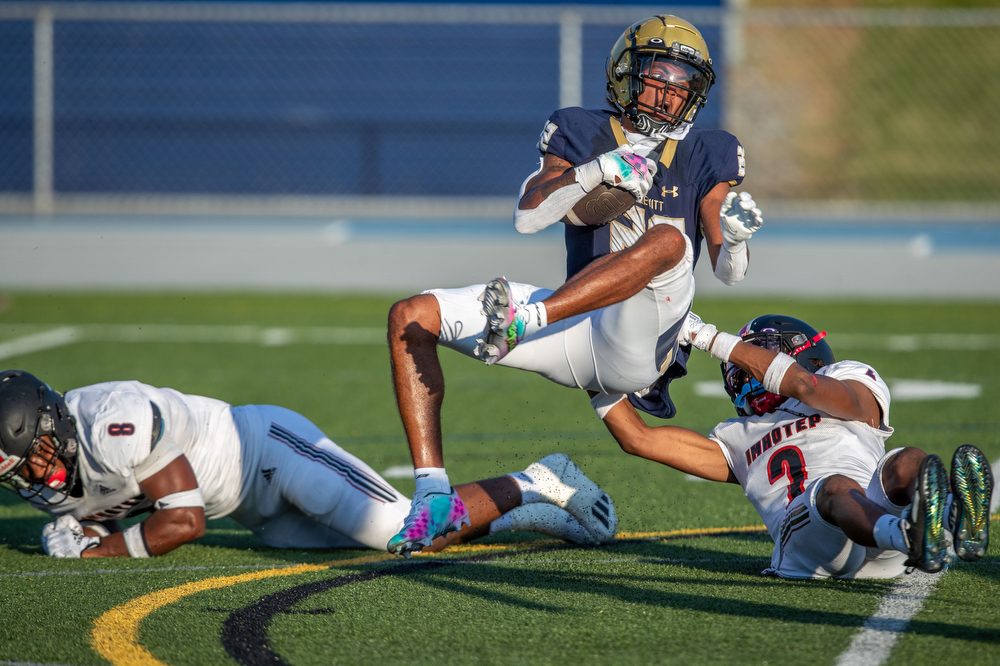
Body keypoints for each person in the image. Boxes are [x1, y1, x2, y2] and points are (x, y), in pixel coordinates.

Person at [386, 15, 762, 555]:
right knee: (410, 316)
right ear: (627, 75)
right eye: (658, 77)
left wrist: (736, 237)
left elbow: (729, 272)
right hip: (580, 324)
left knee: (668, 240)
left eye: (682, 86)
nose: (668, 95)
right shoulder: (581, 128)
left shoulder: (708, 149)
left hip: (645, 336)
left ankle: (523, 321)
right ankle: (432, 494)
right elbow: (528, 217)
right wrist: (597, 170)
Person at [0, 370, 617, 558]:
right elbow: (122, 499)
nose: (32, 475)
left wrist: (93, 550)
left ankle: (539, 476)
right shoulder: (39, 468)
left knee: (406, 531)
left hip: (269, 452)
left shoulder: (117, 419)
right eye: (18, 470)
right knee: (394, 544)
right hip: (252, 515)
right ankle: (531, 515)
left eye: (33, 458)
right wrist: (91, 525)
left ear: (52, 425)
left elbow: (181, 522)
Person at [588, 313, 994, 578]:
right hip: (811, 546)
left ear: (803, 352)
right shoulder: (736, 436)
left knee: (907, 460)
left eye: (758, 356)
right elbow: (637, 438)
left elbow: (803, 385)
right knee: (833, 486)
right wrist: (588, 366)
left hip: (874, 520)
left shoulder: (847, 378)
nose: (743, 372)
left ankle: (950, 520)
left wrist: (706, 336)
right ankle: (915, 534)